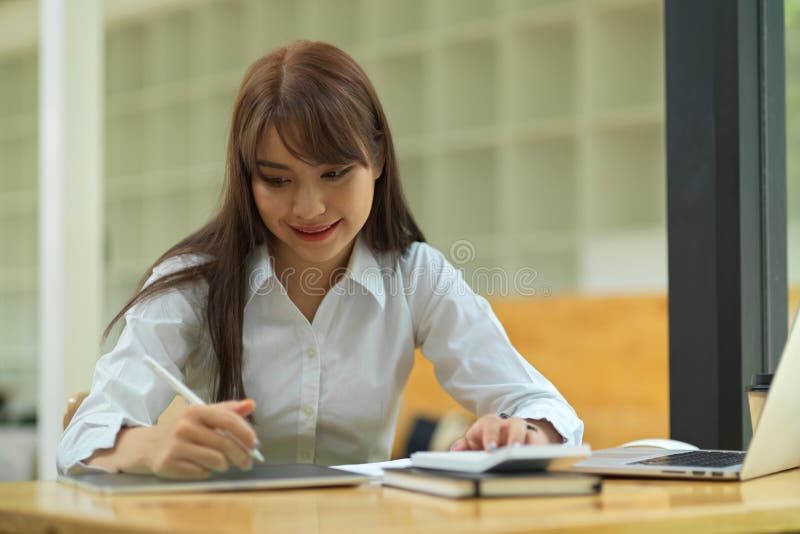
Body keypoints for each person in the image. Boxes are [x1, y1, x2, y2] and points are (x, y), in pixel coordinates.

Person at [57, 40, 583, 479]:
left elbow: (546, 408)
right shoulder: (196, 282)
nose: (308, 208)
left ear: (376, 159)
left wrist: (521, 432)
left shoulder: (415, 275)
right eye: (277, 180)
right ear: (247, 178)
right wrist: (151, 446)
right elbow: (83, 433)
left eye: (334, 174)